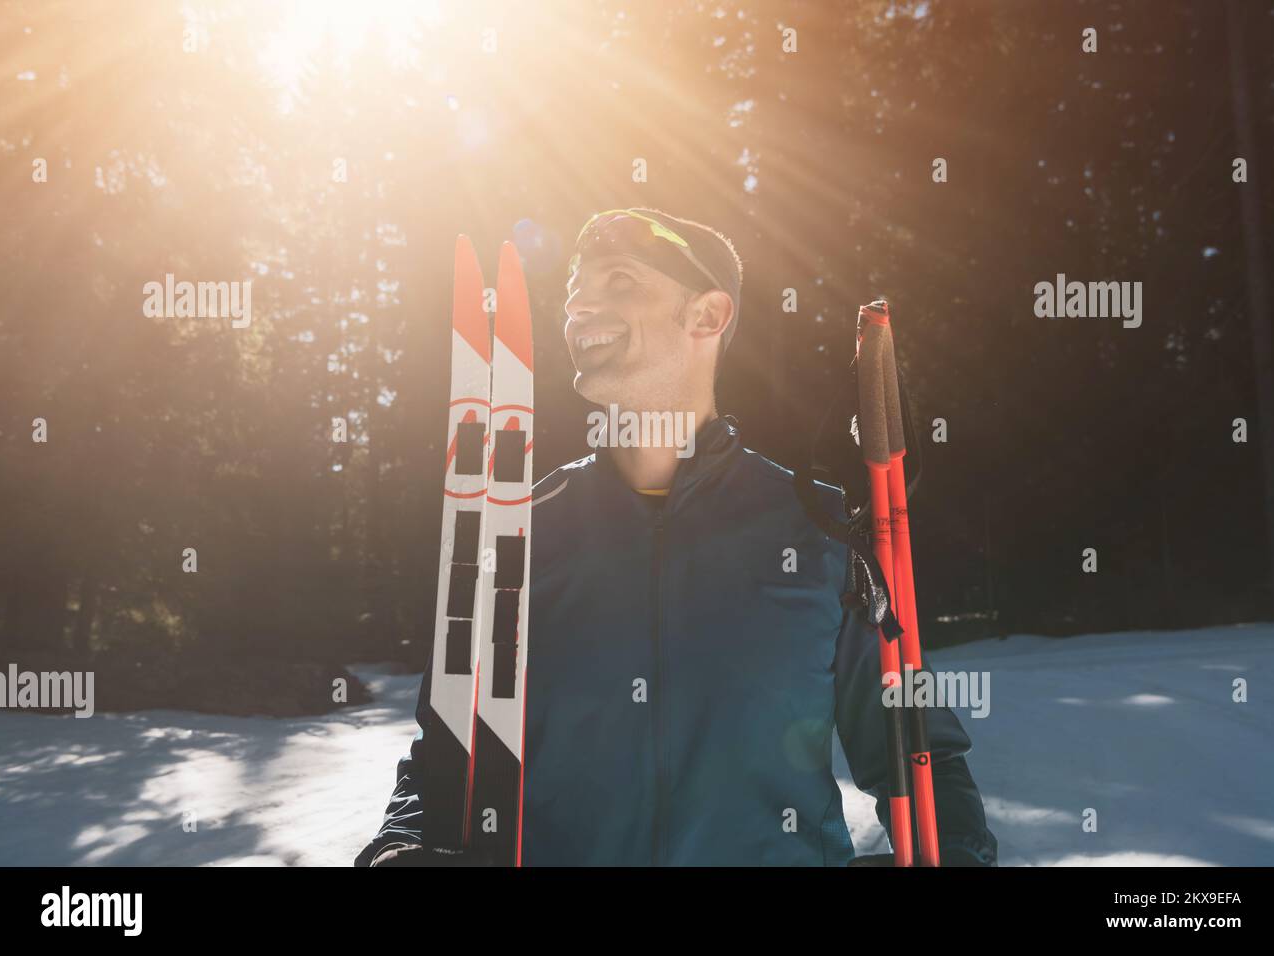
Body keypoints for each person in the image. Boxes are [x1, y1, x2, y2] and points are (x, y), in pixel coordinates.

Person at [356, 207, 998, 867]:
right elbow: (442, 758)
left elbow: (920, 754)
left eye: (620, 282)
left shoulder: (823, 534)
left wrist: (959, 856)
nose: (578, 302)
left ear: (707, 316)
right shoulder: (518, 531)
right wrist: (397, 848)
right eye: (576, 287)